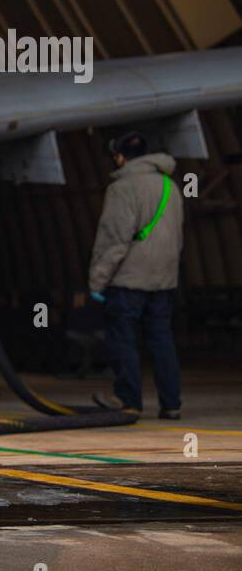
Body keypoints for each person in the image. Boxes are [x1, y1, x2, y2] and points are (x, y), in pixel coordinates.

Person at [88, 131, 183, 419]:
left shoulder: (122, 188)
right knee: (161, 340)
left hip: (128, 279)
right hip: (163, 279)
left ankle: (128, 401)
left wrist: (97, 280)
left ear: (120, 157)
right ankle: (171, 404)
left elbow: (114, 239)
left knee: (123, 339)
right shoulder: (170, 185)